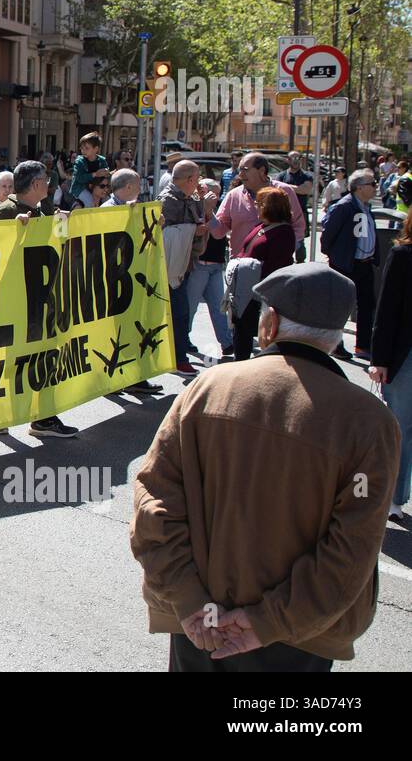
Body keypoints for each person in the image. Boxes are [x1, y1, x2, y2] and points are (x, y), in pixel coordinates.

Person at [131, 263, 399, 672]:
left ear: (269, 324)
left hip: (200, 626)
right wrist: (267, 621)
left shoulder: (208, 388)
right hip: (304, 635)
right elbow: (354, 546)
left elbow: (154, 501)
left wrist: (189, 602)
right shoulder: (370, 422)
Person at [0, 160, 79, 438]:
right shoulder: (8, 211)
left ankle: (43, 418)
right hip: (17, 301)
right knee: (16, 359)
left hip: (41, 298)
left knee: (46, 357)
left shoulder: (43, 209)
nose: (50, 185)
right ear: (37, 184)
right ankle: (1, 415)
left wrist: (65, 223)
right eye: (46, 180)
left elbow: (60, 243)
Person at [370, 208, 412, 524]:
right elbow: (385, 310)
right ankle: (395, 499)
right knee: (401, 428)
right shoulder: (402, 255)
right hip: (404, 356)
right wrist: (379, 360)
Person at [320, 168, 380, 361]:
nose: (375, 187)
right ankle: (336, 345)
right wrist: (336, 257)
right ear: (359, 187)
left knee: (366, 304)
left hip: (365, 264)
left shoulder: (366, 206)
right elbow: (327, 235)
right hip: (346, 264)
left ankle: (363, 346)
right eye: (372, 184)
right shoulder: (344, 206)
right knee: (342, 305)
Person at [230, 187, 296, 361]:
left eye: (259, 204)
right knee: (241, 331)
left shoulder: (284, 233)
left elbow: (276, 267)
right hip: (246, 289)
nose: (255, 207)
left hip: (262, 293)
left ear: (271, 207)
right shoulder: (261, 226)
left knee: (260, 334)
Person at [158, 161, 210, 376]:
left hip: (184, 265)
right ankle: (178, 358)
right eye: (196, 178)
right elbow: (162, 233)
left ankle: (176, 356)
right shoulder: (167, 201)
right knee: (178, 314)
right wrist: (192, 231)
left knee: (181, 313)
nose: (198, 182)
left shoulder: (191, 197)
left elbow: (197, 219)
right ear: (189, 180)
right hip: (168, 269)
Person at [208, 152, 304, 259]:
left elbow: (298, 225)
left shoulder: (284, 192)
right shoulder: (233, 196)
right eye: (240, 170)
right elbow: (218, 232)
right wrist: (208, 212)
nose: (240, 175)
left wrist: (286, 248)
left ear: (262, 171)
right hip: (242, 264)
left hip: (275, 265)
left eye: (245, 169)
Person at [185, 178, 234, 362]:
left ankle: (227, 342)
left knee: (219, 307)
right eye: (212, 192)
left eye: (218, 192)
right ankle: (183, 339)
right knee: (190, 307)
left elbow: (219, 231)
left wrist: (210, 211)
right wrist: (204, 209)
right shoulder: (194, 207)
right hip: (200, 265)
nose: (216, 196)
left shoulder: (219, 209)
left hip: (216, 264)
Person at [276, 151, 314, 262]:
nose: (296, 160)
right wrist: (296, 188)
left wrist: (285, 187)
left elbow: (305, 189)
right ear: (287, 160)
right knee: (283, 239)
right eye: (293, 158)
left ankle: (300, 264)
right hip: (284, 213)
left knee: (300, 241)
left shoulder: (307, 175)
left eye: (298, 157)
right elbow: (276, 190)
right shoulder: (282, 175)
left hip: (301, 212)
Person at [68, 132, 109, 201]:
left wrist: (106, 173)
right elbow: (79, 178)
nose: (83, 150)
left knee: (107, 200)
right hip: (80, 188)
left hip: (96, 188)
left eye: (87, 148)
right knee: (90, 201)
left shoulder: (102, 161)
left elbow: (106, 175)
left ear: (96, 149)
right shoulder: (79, 161)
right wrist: (95, 174)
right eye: (81, 148)